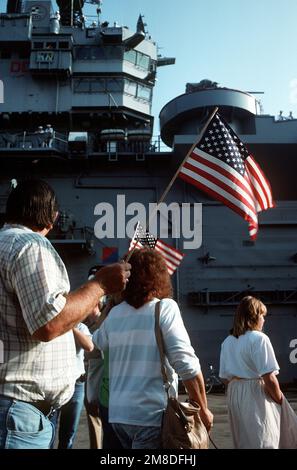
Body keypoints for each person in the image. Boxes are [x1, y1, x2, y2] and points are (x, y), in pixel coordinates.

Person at [0, 179, 131, 449]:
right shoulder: (29, 246)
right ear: (53, 217)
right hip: (18, 414)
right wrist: (101, 285)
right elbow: (49, 323)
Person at [93, 248, 213, 449]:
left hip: (119, 417)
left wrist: (110, 304)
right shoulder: (164, 308)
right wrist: (202, 409)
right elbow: (187, 365)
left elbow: (95, 344)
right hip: (150, 416)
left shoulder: (115, 315)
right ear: (159, 277)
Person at [219, 296, 297, 449]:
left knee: (243, 442)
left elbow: (224, 377)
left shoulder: (227, 341)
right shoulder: (259, 339)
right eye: (262, 315)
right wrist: (280, 400)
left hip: (234, 392)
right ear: (253, 317)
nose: (264, 320)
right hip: (255, 392)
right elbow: (269, 377)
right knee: (265, 438)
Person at [52, 322, 93, 449]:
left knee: (69, 432)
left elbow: (89, 346)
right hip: (56, 384)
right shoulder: (55, 326)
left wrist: (70, 327)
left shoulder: (81, 327)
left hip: (77, 385)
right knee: (50, 428)